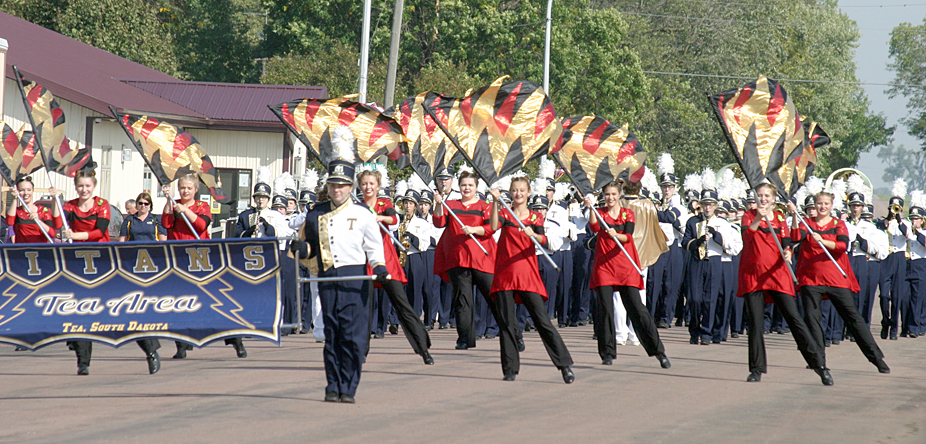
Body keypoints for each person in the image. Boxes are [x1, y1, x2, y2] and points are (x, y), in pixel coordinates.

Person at [290, 126, 388, 402]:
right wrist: (301, 247)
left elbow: (373, 246)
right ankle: (333, 386)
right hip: (328, 278)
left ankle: (349, 386)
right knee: (332, 336)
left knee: (354, 339)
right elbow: (310, 248)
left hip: (356, 280)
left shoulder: (363, 213)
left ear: (350, 187)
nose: (338, 190)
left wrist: (379, 267)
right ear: (328, 187)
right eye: (333, 185)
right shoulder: (316, 214)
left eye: (343, 185)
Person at [56, 170, 161, 375]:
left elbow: (98, 231)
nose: (84, 190)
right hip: (79, 265)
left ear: (93, 186)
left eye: (87, 186)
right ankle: (83, 362)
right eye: (80, 186)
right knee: (79, 311)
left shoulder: (102, 205)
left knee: (124, 308)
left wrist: (75, 235)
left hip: (104, 263)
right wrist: (54, 201)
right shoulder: (69, 205)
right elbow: (57, 225)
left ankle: (150, 351)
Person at [738, 182, 831, 385]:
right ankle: (756, 369)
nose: (763, 199)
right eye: (760, 196)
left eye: (767, 196)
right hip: (754, 275)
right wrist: (759, 217)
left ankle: (819, 365)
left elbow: (786, 241)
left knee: (795, 319)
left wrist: (788, 250)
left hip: (777, 274)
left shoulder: (780, 217)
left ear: (773, 198)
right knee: (755, 323)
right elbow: (747, 236)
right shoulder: (749, 215)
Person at [788, 192, 890, 374]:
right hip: (812, 279)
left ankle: (876, 358)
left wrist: (823, 241)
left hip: (836, 278)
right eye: (819, 203)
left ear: (831, 205)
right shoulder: (808, 223)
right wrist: (795, 215)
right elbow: (795, 236)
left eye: (826, 203)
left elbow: (843, 246)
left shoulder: (838, 224)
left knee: (853, 318)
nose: (822, 207)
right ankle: (818, 361)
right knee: (812, 319)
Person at [489, 177, 574, 383]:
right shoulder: (504, 213)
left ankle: (564, 365)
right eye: (515, 190)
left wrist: (534, 236)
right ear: (510, 192)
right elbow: (492, 227)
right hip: (505, 274)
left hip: (527, 274)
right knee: (507, 323)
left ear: (528, 193)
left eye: (522, 190)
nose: (518, 194)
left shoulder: (535, 217)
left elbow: (545, 241)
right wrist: (494, 202)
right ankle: (510, 368)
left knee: (542, 321)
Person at [585, 181, 671, 368]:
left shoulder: (627, 213)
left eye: (614, 194)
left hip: (625, 265)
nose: (610, 198)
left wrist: (616, 234)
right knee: (605, 309)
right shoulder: (600, 213)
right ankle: (607, 352)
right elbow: (593, 227)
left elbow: (628, 236)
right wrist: (590, 206)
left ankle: (658, 351)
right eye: (607, 194)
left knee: (637, 308)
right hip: (604, 267)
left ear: (619, 195)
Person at [162, 174, 248, 360]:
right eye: (182, 188)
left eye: (188, 188)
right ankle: (182, 345)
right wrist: (169, 201)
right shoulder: (173, 203)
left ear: (195, 190)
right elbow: (166, 223)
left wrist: (185, 210)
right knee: (181, 303)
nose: (185, 191)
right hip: (179, 259)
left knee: (214, 301)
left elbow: (202, 225)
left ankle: (235, 340)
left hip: (201, 259)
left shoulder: (202, 206)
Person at [358, 169, 432, 364]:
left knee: (402, 304)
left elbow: (394, 219)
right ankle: (361, 351)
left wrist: (379, 218)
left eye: (371, 184)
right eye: (364, 184)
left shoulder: (384, 204)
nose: (368, 187)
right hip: (363, 260)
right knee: (364, 308)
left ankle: (423, 347)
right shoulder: (356, 207)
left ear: (378, 186)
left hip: (386, 260)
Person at [433, 170, 506, 350]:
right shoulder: (450, 204)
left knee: (494, 297)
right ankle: (465, 338)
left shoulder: (485, 205)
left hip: (481, 258)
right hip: (458, 259)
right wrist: (438, 205)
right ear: (459, 186)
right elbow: (439, 223)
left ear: (476, 187)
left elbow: (492, 228)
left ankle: (511, 334)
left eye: (470, 185)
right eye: (464, 185)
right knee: (462, 301)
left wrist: (474, 230)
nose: (467, 188)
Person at [6, 176, 59, 243]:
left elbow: (52, 233)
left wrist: (38, 221)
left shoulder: (44, 211)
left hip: (41, 250)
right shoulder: (17, 211)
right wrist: (15, 199)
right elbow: (9, 222)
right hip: (23, 250)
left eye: (29, 190)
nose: (26, 193)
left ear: (33, 191)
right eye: (22, 190)